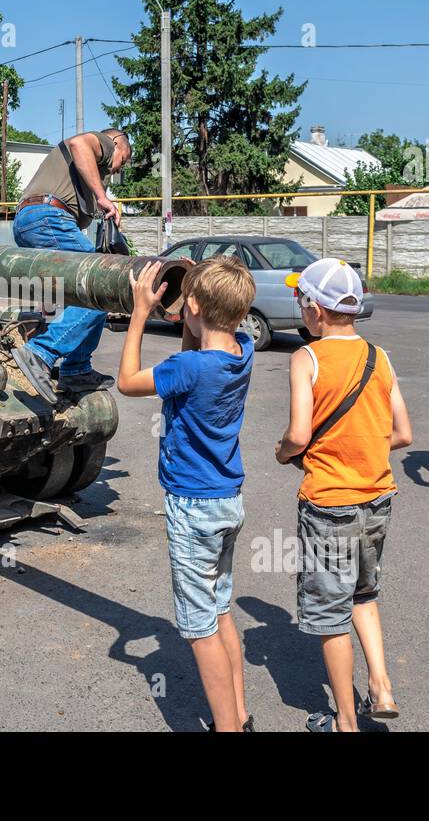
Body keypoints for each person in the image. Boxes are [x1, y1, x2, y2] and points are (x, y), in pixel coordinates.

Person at [117, 255, 257, 732]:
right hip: (226, 500)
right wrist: (196, 304)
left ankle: (228, 728)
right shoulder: (244, 349)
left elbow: (128, 382)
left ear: (190, 305)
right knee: (220, 612)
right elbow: (201, 340)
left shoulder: (188, 368)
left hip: (192, 507)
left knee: (199, 630)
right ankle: (238, 713)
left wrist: (139, 313)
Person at [275, 258, 412, 732]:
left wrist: (283, 451)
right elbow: (403, 433)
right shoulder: (380, 356)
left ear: (314, 310)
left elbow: (297, 434)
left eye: (300, 297)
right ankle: (381, 685)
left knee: (331, 615)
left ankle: (346, 722)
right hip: (378, 499)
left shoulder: (306, 358)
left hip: (329, 503)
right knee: (364, 593)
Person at [10, 128, 132, 405]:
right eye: (124, 159)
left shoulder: (85, 175)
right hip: (47, 218)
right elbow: (78, 143)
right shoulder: (103, 143)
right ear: (117, 143)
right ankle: (40, 353)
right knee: (102, 283)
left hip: (36, 222)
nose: (119, 167)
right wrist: (102, 197)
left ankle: (77, 369)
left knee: (93, 290)